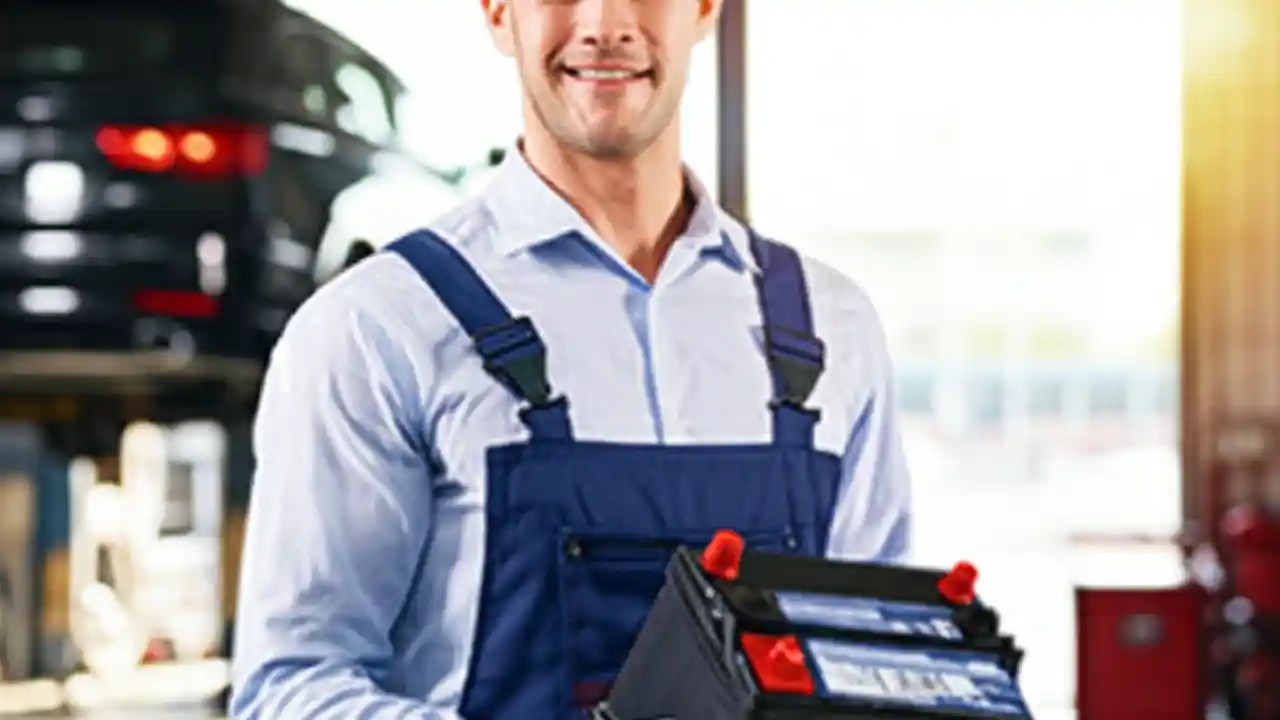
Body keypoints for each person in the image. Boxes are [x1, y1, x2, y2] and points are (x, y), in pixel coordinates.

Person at [229, 0, 912, 717]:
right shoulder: (377, 329)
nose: (605, 24)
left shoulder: (835, 331)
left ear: (707, 7)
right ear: (498, 12)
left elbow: (882, 669)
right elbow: (290, 689)